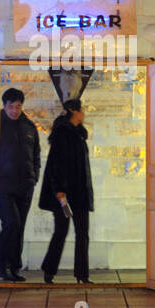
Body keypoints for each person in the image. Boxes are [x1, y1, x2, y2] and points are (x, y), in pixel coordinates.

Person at [39, 98, 93, 283]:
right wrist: (60, 191)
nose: (83, 113)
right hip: (66, 193)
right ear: (74, 112)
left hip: (79, 192)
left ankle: (82, 274)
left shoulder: (78, 133)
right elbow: (57, 164)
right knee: (61, 232)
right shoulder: (63, 134)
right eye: (81, 110)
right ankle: (49, 270)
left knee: (82, 233)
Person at [0, 88, 39, 282]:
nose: (15, 110)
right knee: (11, 224)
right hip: (3, 185)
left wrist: (34, 177)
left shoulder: (29, 126)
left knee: (19, 226)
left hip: (25, 185)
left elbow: (36, 155)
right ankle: (2, 266)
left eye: (18, 106)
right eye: (11, 106)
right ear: (4, 106)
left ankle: (14, 267)